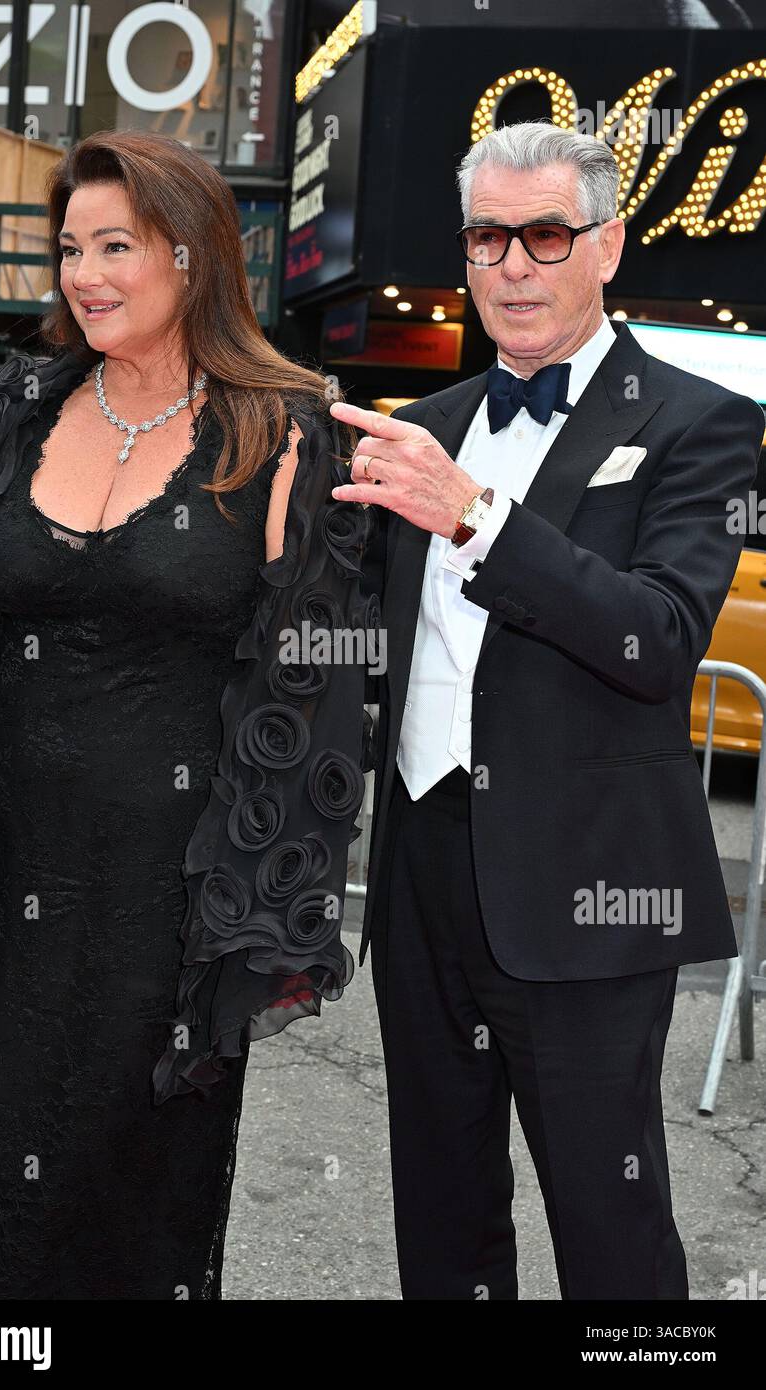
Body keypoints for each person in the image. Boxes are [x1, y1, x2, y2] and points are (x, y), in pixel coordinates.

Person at [0, 129, 372, 1299]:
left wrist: (258, 929)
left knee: (132, 1204)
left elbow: (311, 695)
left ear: (191, 254)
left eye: (117, 245)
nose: (87, 273)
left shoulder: (280, 426)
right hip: (12, 887)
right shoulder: (18, 408)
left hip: (169, 907)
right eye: (71, 248)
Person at [332, 120, 764, 1300]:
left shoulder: (697, 420)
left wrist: (478, 518)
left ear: (606, 244)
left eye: (543, 234)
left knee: (607, 1219)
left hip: (584, 885)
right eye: (486, 237)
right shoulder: (423, 426)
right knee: (439, 1204)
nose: (511, 265)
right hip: (420, 876)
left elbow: (658, 638)